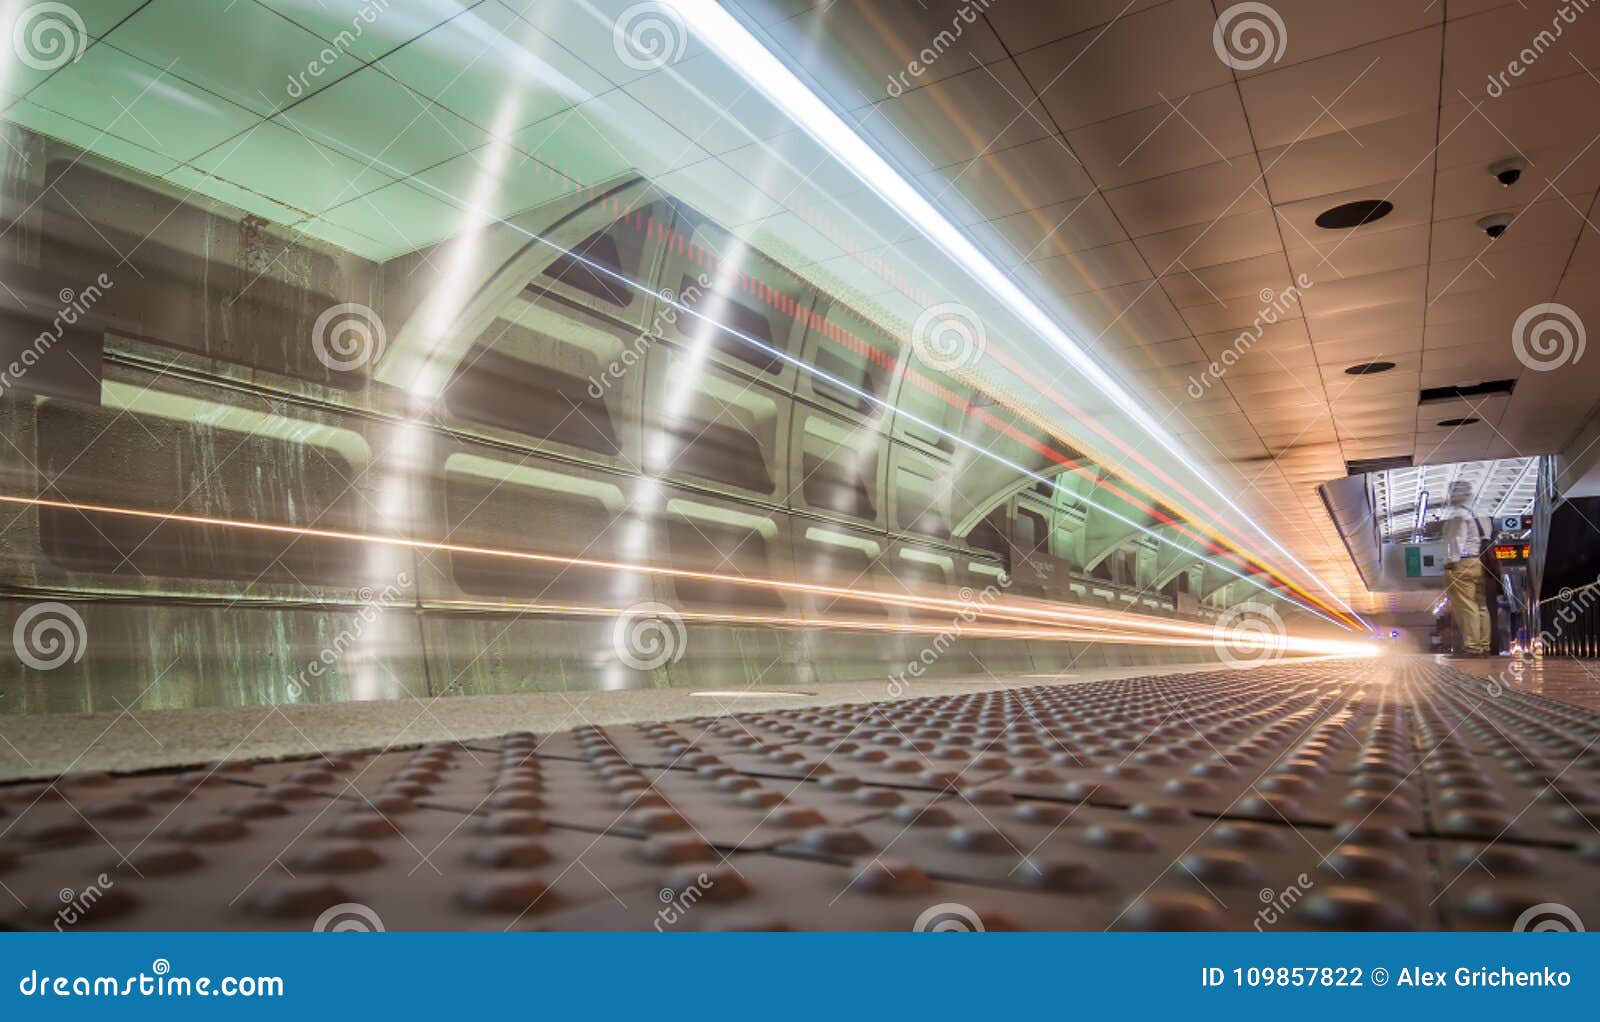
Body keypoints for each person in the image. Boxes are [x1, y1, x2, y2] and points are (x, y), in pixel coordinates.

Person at [1441, 481, 1490, 656]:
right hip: (1479, 562)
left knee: (1466, 606)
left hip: (1462, 563)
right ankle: (1484, 646)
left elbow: (1455, 540)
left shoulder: (1458, 514)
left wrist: (1450, 562)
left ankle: (1472, 647)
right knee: (1481, 606)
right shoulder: (1480, 514)